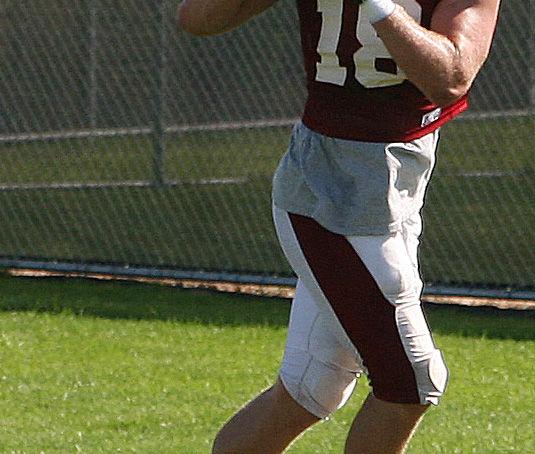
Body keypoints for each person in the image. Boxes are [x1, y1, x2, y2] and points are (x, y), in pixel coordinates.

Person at [178, 0, 501, 452]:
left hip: (394, 188)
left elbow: (452, 75)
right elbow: (197, 17)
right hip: (331, 198)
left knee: (311, 387)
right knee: (410, 384)